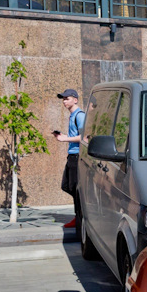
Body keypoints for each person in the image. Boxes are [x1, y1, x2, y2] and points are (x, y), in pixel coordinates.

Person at [54, 88, 85, 227]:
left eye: (67, 98)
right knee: (67, 186)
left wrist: (65, 139)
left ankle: (79, 219)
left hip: (77, 156)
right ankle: (78, 216)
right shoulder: (72, 116)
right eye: (63, 99)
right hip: (72, 156)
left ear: (75, 100)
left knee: (75, 188)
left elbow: (85, 137)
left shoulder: (80, 115)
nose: (64, 101)